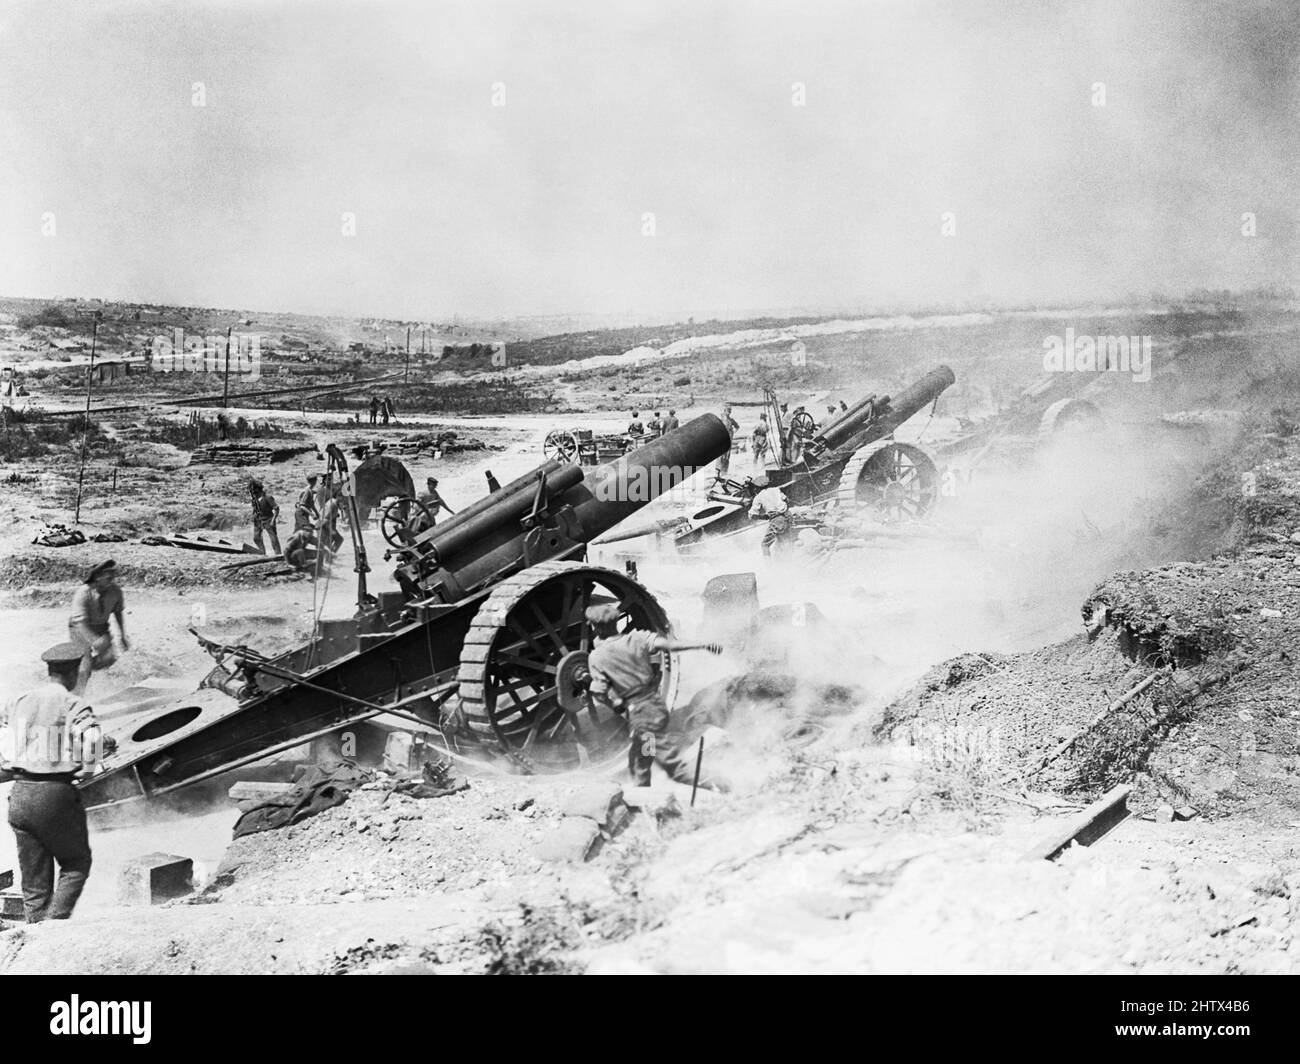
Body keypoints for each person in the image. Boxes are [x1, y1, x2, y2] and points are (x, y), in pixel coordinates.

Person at [1, 643, 107, 922]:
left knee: (34, 881)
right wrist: (88, 770)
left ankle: (34, 933)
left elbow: (5, 742)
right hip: (55, 794)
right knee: (76, 863)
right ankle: (53, 927)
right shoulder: (72, 703)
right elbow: (93, 739)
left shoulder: (20, 700)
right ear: (73, 672)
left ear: (49, 671)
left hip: (20, 794)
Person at [583, 604, 722, 787]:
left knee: (673, 767)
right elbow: (669, 644)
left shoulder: (597, 657)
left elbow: (599, 694)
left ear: (596, 627)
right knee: (640, 759)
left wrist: (615, 704)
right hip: (654, 706)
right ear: (616, 622)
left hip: (643, 717)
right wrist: (702, 645)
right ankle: (643, 798)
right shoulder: (638, 638)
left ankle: (725, 784)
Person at [68, 560, 128, 677]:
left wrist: (122, 636)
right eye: (107, 573)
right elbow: (80, 623)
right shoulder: (84, 593)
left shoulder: (115, 592)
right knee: (85, 663)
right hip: (79, 630)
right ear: (97, 576)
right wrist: (94, 640)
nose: (111, 576)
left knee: (109, 658)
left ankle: (79, 670)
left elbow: (118, 612)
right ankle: (77, 676)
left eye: (112, 572)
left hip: (101, 627)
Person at [749, 482, 793, 557]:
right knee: (784, 540)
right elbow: (787, 500)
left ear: (756, 488)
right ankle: (788, 559)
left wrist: (764, 517)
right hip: (788, 516)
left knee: (765, 545)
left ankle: (769, 567)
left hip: (777, 521)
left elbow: (752, 515)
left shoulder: (758, 497)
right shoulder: (776, 489)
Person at [249, 479, 281, 555]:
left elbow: (276, 509)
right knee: (256, 538)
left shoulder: (268, 497)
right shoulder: (254, 499)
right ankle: (262, 553)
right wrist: (253, 516)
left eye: (253, 489)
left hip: (268, 519)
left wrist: (273, 520)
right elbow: (255, 509)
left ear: (257, 489)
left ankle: (278, 554)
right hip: (258, 520)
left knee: (273, 538)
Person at [717, 403, 740, 477]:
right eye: (728, 410)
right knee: (720, 455)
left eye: (730, 411)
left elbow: (737, 427)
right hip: (721, 439)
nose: (729, 412)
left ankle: (725, 471)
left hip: (729, 439)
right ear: (724, 410)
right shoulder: (721, 419)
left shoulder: (731, 420)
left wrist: (733, 433)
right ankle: (718, 471)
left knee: (727, 456)